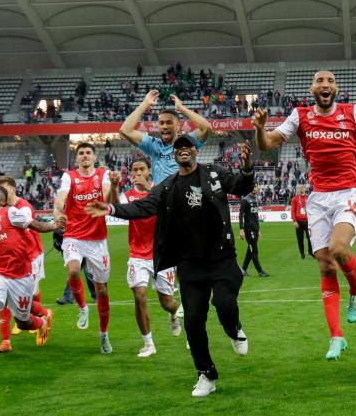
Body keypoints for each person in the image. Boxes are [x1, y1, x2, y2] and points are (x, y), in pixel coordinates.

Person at [88, 136, 253, 397]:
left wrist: (246, 168)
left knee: (224, 305)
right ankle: (206, 375)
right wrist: (111, 208)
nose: (183, 150)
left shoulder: (213, 173)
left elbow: (241, 186)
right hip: (190, 264)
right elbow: (143, 206)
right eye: (178, 148)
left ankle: (234, 330)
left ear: (196, 151)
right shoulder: (168, 186)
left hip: (221, 258)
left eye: (187, 146)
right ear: (174, 156)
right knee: (193, 322)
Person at [254, 70, 356, 360]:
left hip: (350, 191)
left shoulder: (352, 112)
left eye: (330, 81)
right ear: (312, 88)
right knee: (325, 265)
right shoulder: (300, 116)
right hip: (318, 198)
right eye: (320, 81)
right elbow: (267, 145)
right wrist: (259, 128)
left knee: (338, 249)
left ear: (336, 88)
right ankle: (336, 336)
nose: (325, 85)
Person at [0, 186, 57, 371]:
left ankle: (43, 322)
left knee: (23, 322)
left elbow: (36, 225)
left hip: (21, 277)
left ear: (2, 201)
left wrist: (55, 226)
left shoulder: (9, 212)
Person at [53, 143, 119, 353]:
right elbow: (61, 198)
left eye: (88, 153)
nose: (84, 156)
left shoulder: (103, 175)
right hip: (74, 236)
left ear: (94, 156)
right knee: (73, 270)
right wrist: (59, 213)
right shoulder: (69, 177)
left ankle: (104, 334)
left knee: (101, 289)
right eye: (81, 153)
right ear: (77, 158)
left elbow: (108, 199)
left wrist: (115, 187)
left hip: (98, 240)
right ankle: (82, 308)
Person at [120, 158, 182, 357]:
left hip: (161, 256)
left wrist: (148, 189)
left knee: (167, 303)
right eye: (134, 169)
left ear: (149, 171)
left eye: (142, 169)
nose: (138, 172)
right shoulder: (127, 196)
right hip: (137, 255)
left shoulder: (160, 191)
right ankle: (148, 344)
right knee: (139, 297)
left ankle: (174, 314)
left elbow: (170, 212)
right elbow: (118, 208)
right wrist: (113, 188)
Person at [0, 176, 46, 352]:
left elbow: (29, 229)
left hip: (31, 258)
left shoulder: (22, 207)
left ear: (12, 189)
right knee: (5, 298)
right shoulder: (2, 210)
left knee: (28, 298)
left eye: (2, 188)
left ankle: (43, 318)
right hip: (11, 261)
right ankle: (6, 341)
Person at [119, 90, 213, 184]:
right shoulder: (153, 144)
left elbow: (206, 128)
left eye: (169, 122)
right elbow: (125, 130)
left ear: (178, 126)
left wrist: (181, 108)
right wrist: (145, 104)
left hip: (185, 196)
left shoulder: (187, 142)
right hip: (161, 197)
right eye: (161, 123)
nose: (165, 126)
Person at [240, 187, 268, 277]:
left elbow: (256, 216)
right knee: (254, 251)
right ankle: (260, 271)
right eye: (252, 187)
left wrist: (258, 230)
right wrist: (241, 229)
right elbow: (241, 215)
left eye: (255, 187)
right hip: (249, 230)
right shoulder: (245, 200)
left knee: (250, 250)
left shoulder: (255, 199)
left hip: (255, 229)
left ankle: (243, 269)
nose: (254, 188)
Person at [290, 185, 311, 258]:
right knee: (300, 238)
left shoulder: (308, 198)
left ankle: (310, 251)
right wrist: (294, 221)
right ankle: (302, 253)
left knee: (310, 237)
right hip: (298, 221)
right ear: (298, 189)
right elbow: (293, 211)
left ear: (305, 189)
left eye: (303, 187)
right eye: (299, 187)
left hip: (307, 221)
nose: (301, 188)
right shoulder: (295, 199)